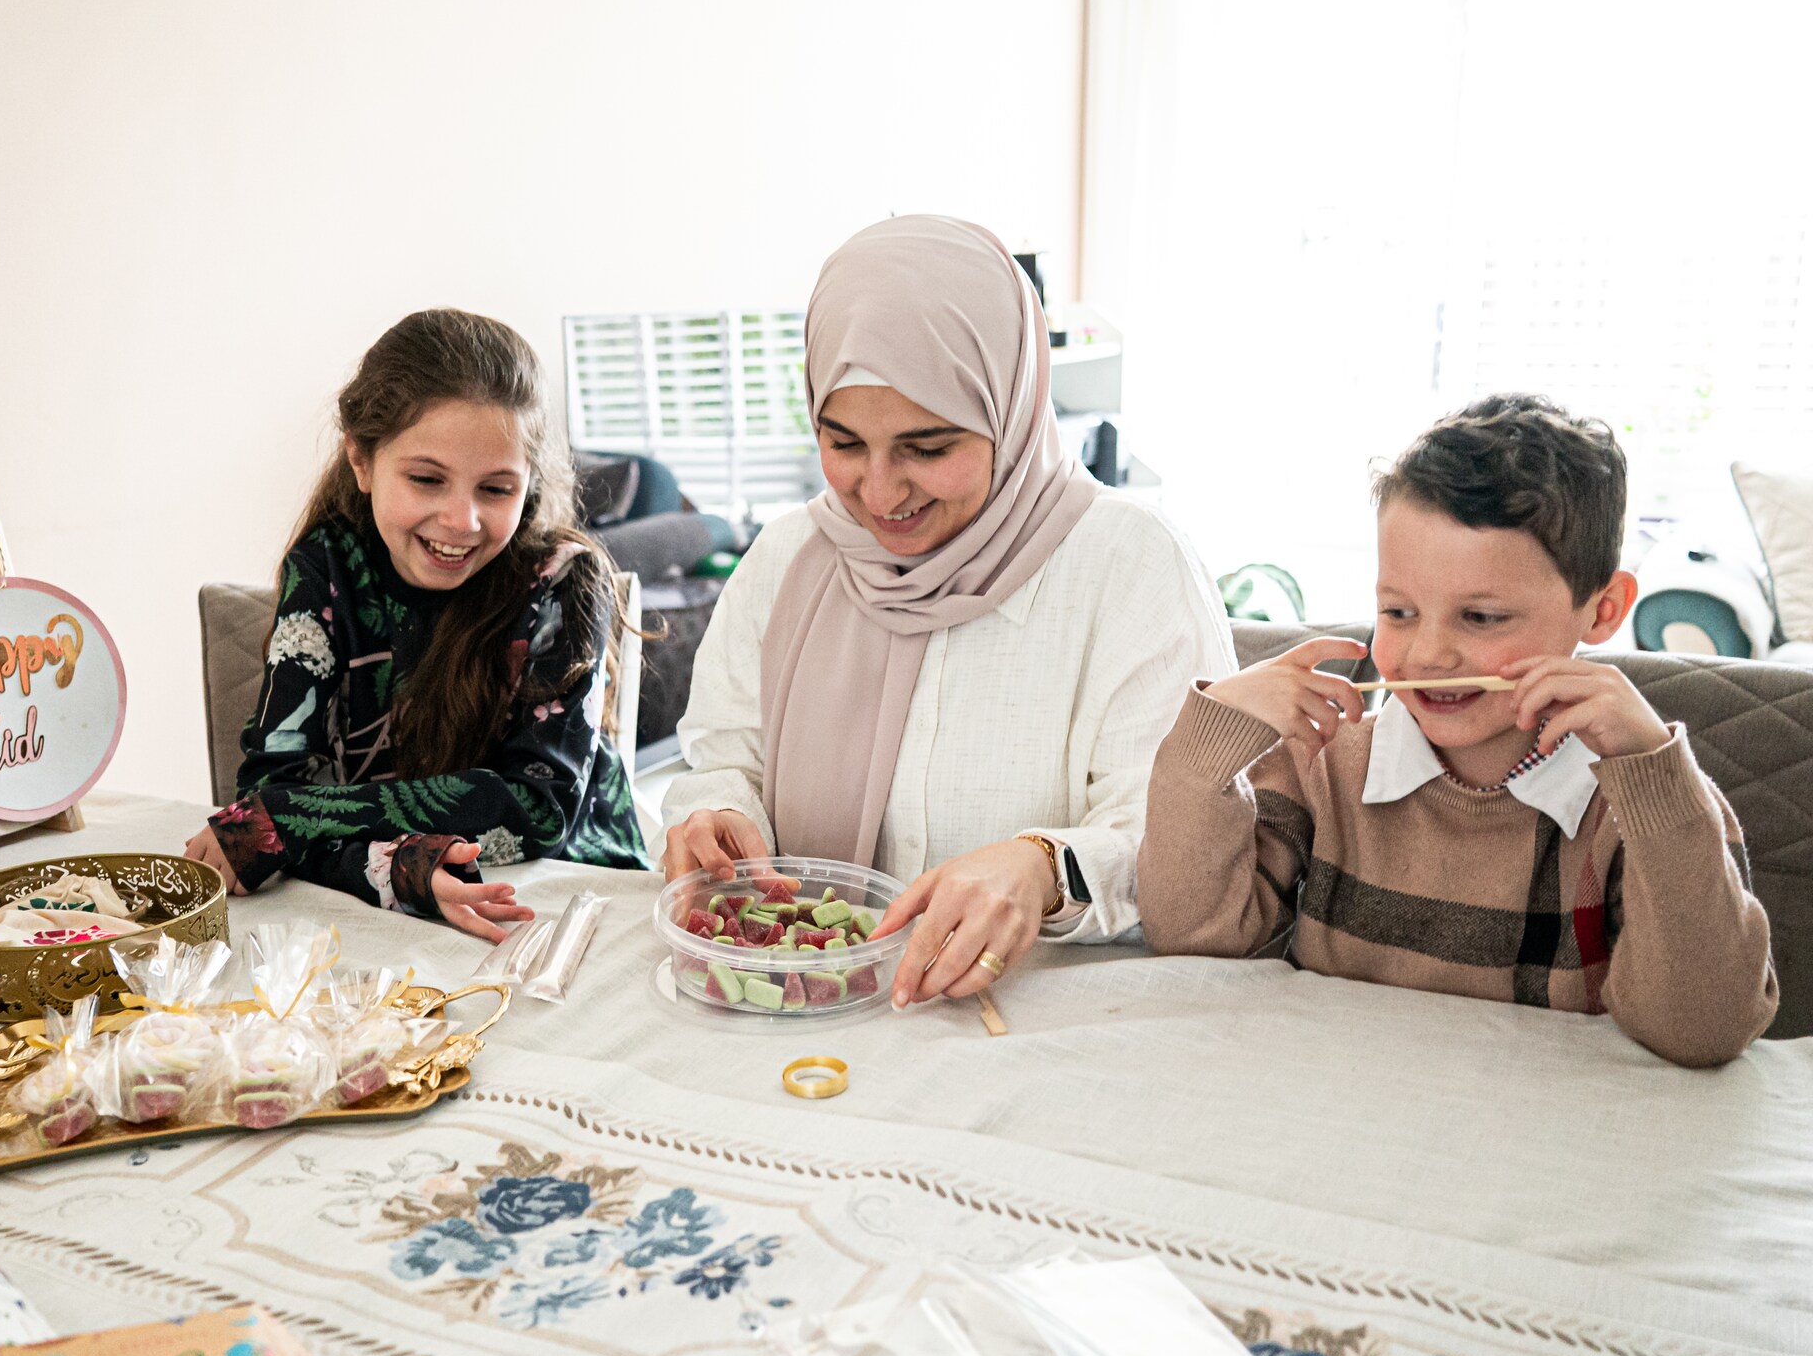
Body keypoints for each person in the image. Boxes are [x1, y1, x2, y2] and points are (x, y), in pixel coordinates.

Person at [660, 216, 1234, 1007]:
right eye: (844, 443)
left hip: (1048, 1023)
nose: (881, 492)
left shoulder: (1131, 566)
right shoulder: (791, 559)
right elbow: (721, 756)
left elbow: (1185, 841)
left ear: (1011, 409)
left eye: (928, 449)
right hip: (816, 1020)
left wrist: (1043, 866)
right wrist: (715, 812)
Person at [1136, 394, 1779, 1065]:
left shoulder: (1652, 802)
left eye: (1481, 618)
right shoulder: (1319, 762)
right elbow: (1196, 939)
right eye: (1399, 611)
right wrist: (1205, 750)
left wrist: (1653, 773)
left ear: (1602, 610)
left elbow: (1702, 1030)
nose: (1428, 654)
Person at [184, 309, 646, 938]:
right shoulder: (325, 567)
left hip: (576, 908)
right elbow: (271, 790)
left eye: (496, 489)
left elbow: (538, 810)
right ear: (361, 458)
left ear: (530, 480)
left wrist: (290, 818)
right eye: (427, 480)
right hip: (402, 918)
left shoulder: (565, 580)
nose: (462, 521)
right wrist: (400, 869)